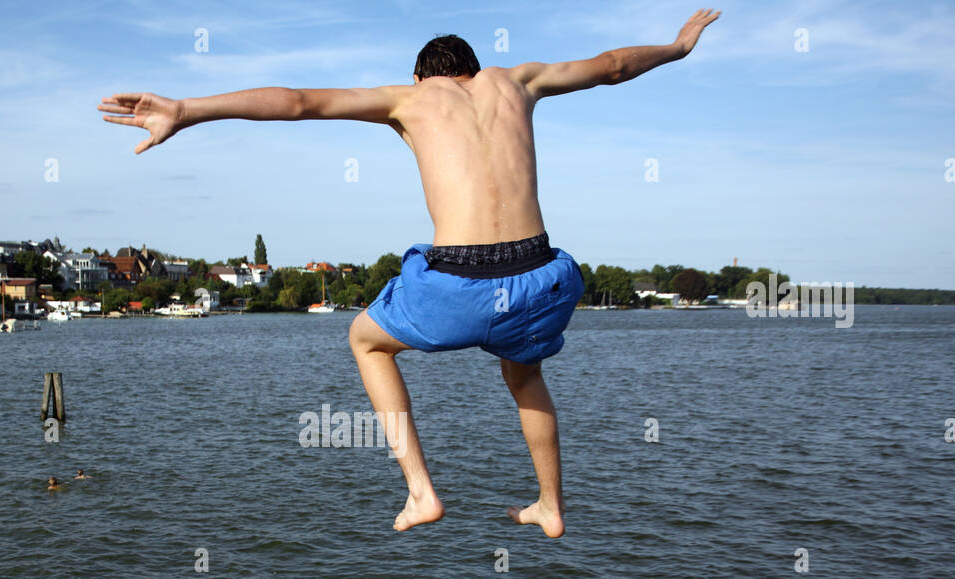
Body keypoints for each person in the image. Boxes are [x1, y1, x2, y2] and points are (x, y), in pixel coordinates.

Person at [99, 9, 720, 536]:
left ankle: (422, 492)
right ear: (475, 71)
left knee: (365, 339)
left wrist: (185, 108)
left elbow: (297, 102)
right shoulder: (521, 80)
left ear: (423, 77)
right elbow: (613, 65)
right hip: (542, 278)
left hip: (456, 284)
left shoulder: (412, 98)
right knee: (524, 374)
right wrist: (678, 46)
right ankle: (551, 505)